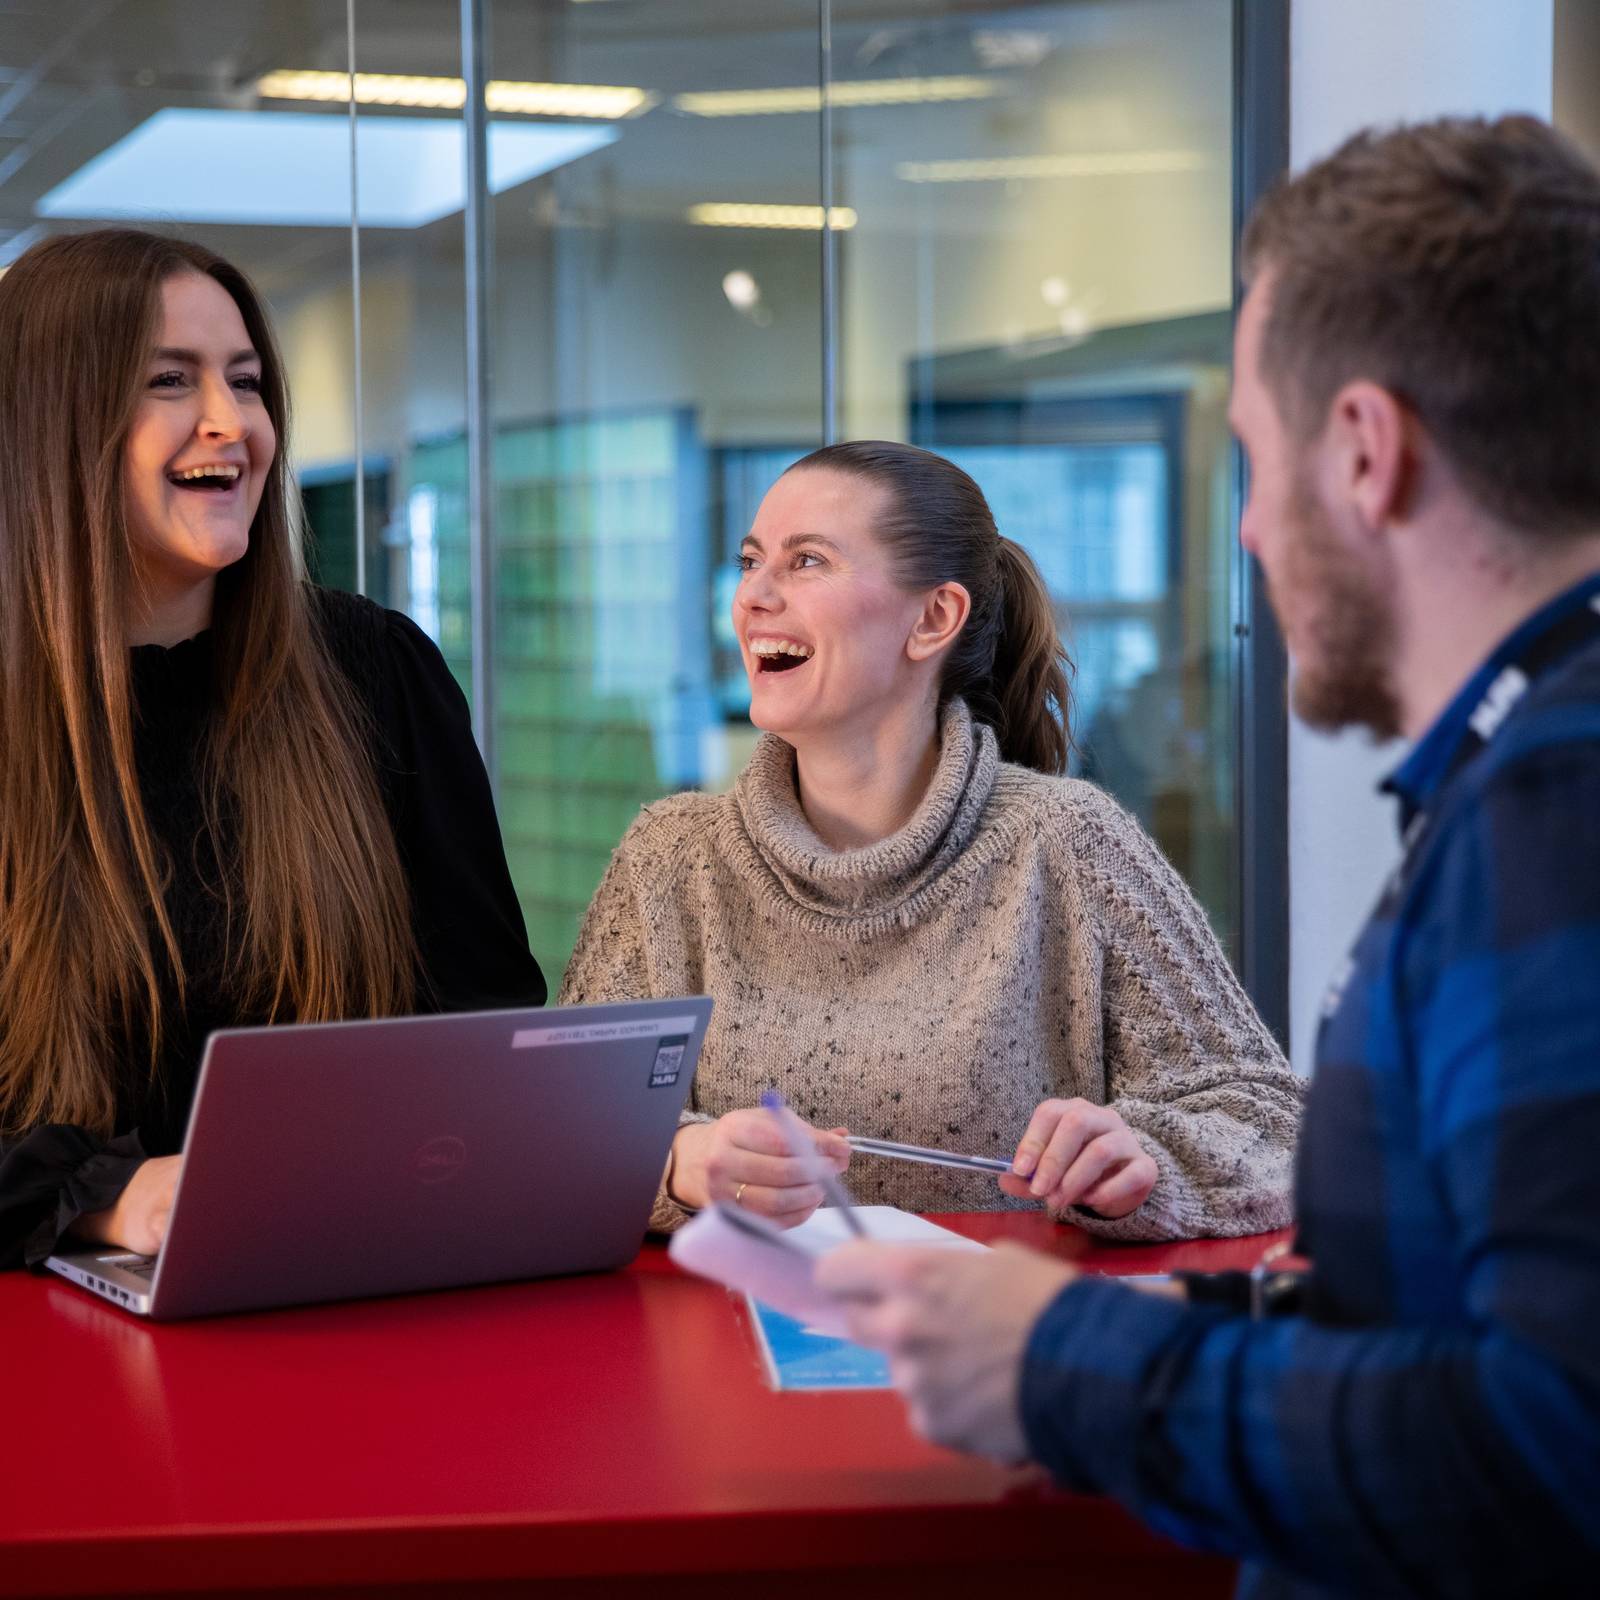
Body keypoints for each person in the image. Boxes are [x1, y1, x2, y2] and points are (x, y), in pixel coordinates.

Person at [818, 115, 1600, 1598]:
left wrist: (1079, 1369)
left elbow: (1555, 1442)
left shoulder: (1556, 821)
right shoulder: (1518, 787)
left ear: (1365, 454)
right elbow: (1443, 1323)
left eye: (1253, 456)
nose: (1244, 527)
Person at [560, 439, 1301, 1239]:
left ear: (934, 618)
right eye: (750, 561)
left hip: (988, 1348)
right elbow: (550, 1134)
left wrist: (1145, 1159)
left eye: (807, 562)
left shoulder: (1071, 846)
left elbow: (1274, 1131)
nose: (752, 598)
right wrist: (680, 1162)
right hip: (720, 1354)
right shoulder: (669, 858)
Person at [0, 229, 546, 1270]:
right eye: (170, 379)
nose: (231, 423)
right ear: (48, 422)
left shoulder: (374, 672)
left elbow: (488, 1038)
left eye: (245, 382)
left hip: (348, 1292)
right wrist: (107, 1194)